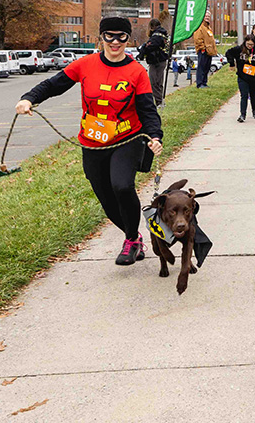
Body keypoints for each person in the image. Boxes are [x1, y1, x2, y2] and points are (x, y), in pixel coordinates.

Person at [16, 17, 163, 265]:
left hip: (126, 139)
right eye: (109, 36)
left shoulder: (136, 71)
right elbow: (54, 85)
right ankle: (134, 235)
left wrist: (155, 136)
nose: (115, 42)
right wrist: (29, 98)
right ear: (101, 37)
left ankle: (131, 241)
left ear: (128, 39)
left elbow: (148, 109)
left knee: (122, 186)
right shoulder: (85, 64)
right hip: (92, 142)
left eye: (121, 37)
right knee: (105, 197)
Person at [226, 34, 255, 122]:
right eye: (248, 44)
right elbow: (228, 53)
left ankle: (254, 110)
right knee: (244, 95)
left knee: (253, 94)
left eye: (251, 45)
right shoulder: (239, 49)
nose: (250, 46)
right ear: (245, 43)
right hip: (243, 76)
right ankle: (242, 114)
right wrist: (231, 63)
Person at [136, 18, 170, 106]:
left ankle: (159, 102)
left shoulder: (156, 36)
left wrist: (143, 49)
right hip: (162, 60)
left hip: (156, 61)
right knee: (159, 82)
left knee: (154, 82)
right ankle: (161, 100)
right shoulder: (163, 34)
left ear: (152, 27)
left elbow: (149, 47)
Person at [193, 17, 217, 88]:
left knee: (206, 68)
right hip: (203, 51)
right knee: (201, 67)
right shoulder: (200, 27)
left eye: (209, 16)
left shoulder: (208, 28)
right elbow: (198, 39)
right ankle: (199, 83)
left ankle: (204, 82)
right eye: (206, 16)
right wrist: (202, 48)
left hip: (209, 51)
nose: (207, 18)